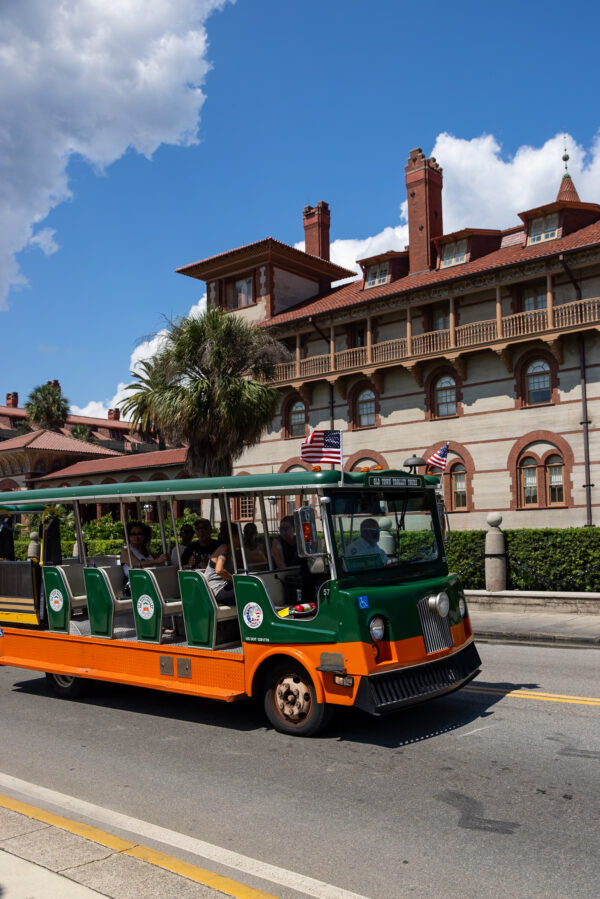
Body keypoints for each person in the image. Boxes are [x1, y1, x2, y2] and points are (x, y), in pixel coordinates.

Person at [120, 521, 169, 592]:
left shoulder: (146, 551)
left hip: (151, 581)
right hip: (135, 584)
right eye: (133, 534)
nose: (136, 537)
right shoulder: (126, 552)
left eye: (140, 534)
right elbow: (136, 564)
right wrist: (157, 560)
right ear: (128, 536)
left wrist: (164, 559)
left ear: (144, 536)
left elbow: (158, 563)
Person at [204, 529, 240, 604]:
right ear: (232, 537)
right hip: (216, 589)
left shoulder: (232, 551)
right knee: (247, 590)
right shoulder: (224, 549)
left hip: (225, 586)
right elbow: (219, 570)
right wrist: (236, 580)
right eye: (238, 536)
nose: (241, 538)